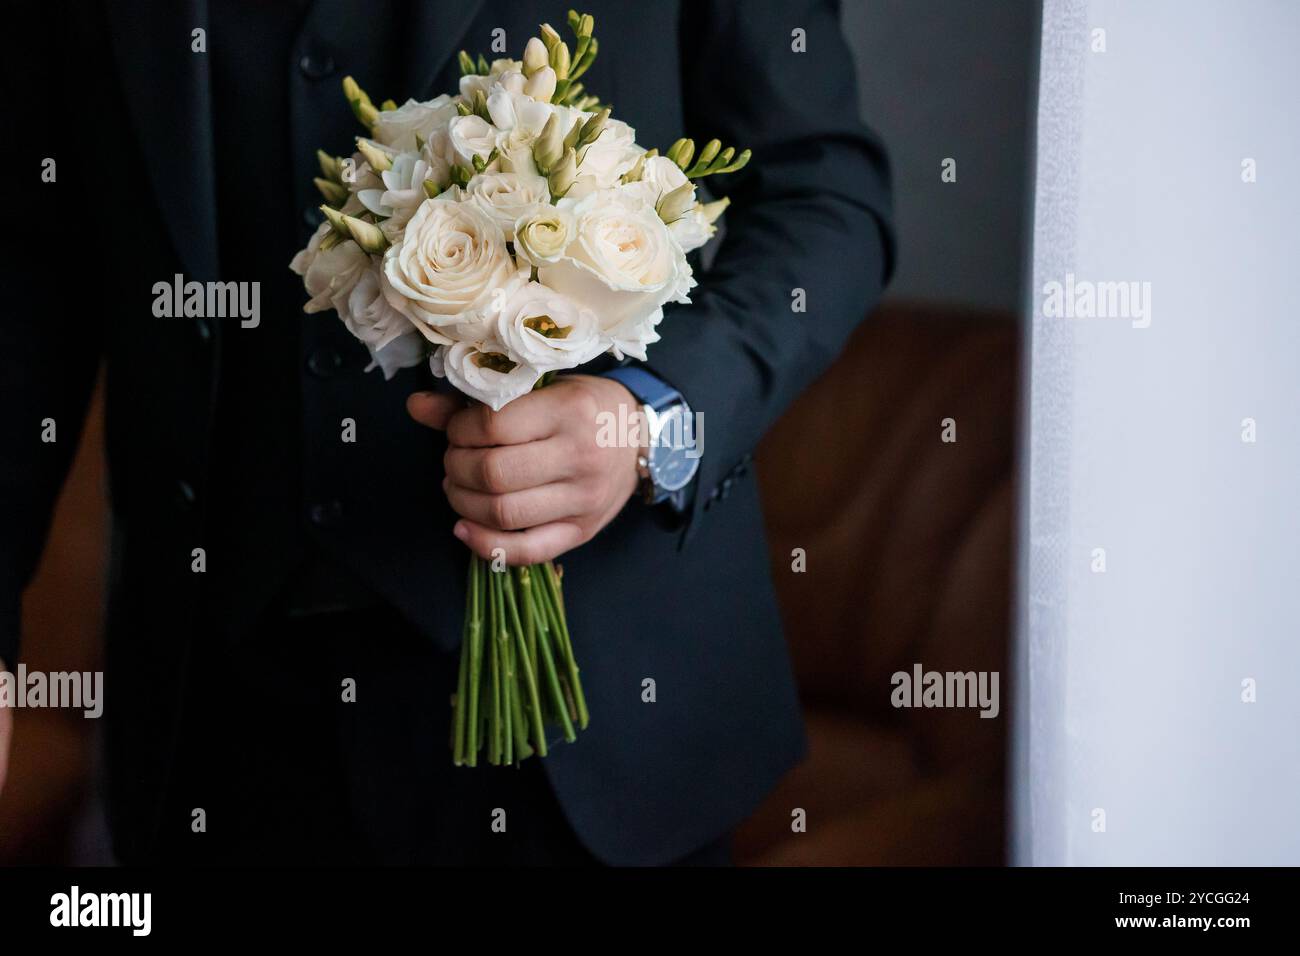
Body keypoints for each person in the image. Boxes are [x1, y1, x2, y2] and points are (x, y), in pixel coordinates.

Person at [1, 0, 893, 865]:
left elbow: (824, 196)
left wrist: (646, 415)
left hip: (591, 715)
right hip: (213, 715)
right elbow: (29, 273)